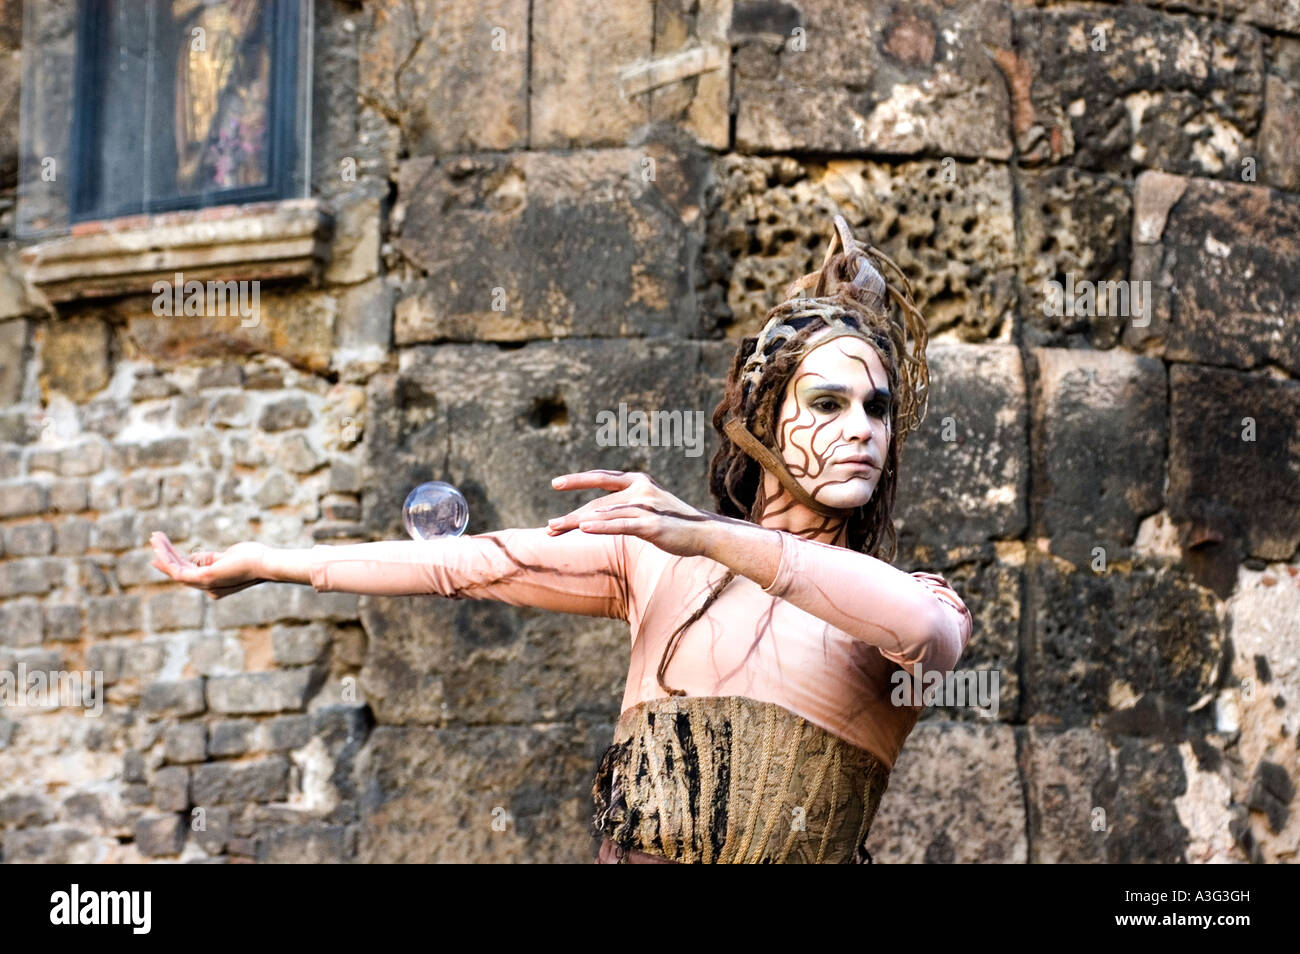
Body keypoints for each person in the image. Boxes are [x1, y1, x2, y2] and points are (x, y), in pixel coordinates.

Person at [149, 215, 974, 864]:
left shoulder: (902, 607)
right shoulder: (654, 561)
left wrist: (707, 535)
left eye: (878, 409)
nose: (862, 428)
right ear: (764, 419)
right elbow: (466, 564)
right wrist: (268, 564)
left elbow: (925, 634)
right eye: (827, 403)